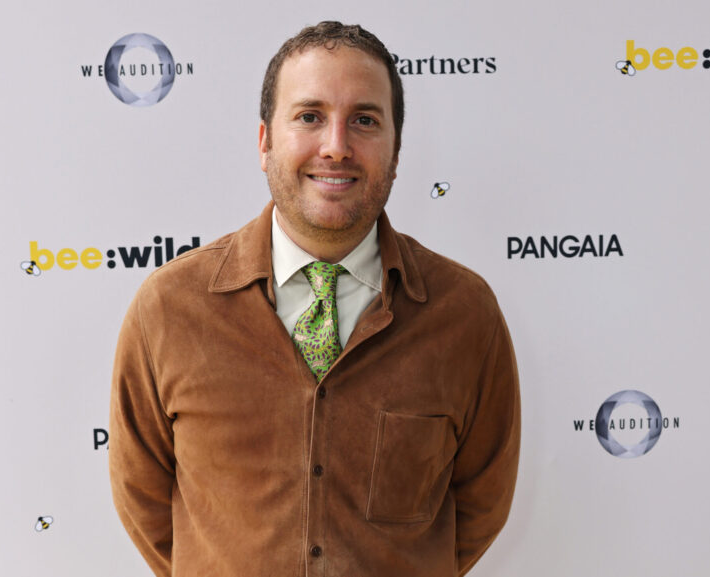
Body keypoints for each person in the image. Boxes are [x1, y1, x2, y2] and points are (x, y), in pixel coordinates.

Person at [109, 21, 520, 577]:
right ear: (265, 143)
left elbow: (480, 504)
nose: (336, 147)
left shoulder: (464, 314)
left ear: (396, 151)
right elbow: (145, 501)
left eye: (364, 121)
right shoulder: (169, 308)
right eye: (309, 116)